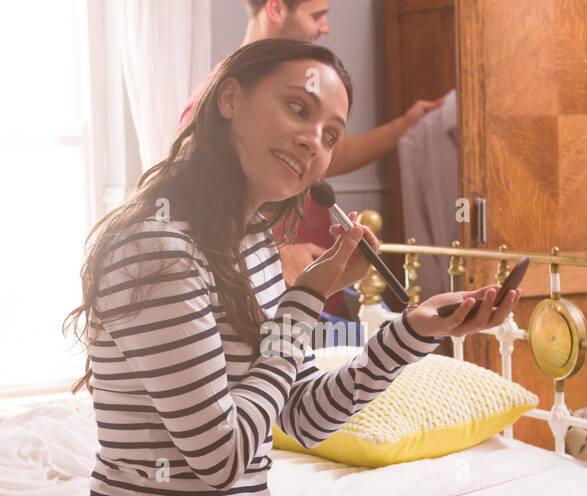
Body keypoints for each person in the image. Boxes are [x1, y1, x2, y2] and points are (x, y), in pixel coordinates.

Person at [65, 38, 517, 496]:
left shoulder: (250, 241)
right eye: (297, 109)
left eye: (331, 133)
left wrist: (411, 331)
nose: (315, 142)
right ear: (230, 99)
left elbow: (302, 413)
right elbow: (221, 456)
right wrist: (303, 301)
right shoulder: (157, 249)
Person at [180, 0, 445, 308]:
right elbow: (199, 210)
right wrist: (275, 254)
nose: (326, 28)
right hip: (273, 303)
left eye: (330, 137)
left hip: (302, 299)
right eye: (317, 15)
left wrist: (405, 126)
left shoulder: (304, 142)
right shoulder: (211, 108)